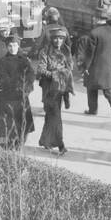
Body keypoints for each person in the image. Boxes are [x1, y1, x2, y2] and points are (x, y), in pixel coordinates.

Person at [35, 24, 73, 156]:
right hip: (49, 89)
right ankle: (60, 145)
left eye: (61, 39)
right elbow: (40, 69)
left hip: (61, 89)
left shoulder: (66, 51)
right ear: (52, 39)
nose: (58, 41)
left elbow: (70, 67)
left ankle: (45, 140)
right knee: (55, 116)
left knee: (51, 115)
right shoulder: (45, 51)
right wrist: (55, 74)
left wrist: (64, 74)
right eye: (56, 38)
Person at [0, 34, 35, 150]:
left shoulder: (24, 60)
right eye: (10, 46)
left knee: (23, 122)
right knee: (9, 123)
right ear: (7, 47)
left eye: (15, 45)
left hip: (21, 96)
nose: (13, 48)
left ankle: (20, 143)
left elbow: (31, 75)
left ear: (19, 46)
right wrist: (12, 85)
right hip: (8, 96)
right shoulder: (2, 61)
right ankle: (9, 144)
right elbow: (2, 76)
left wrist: (26, 87)